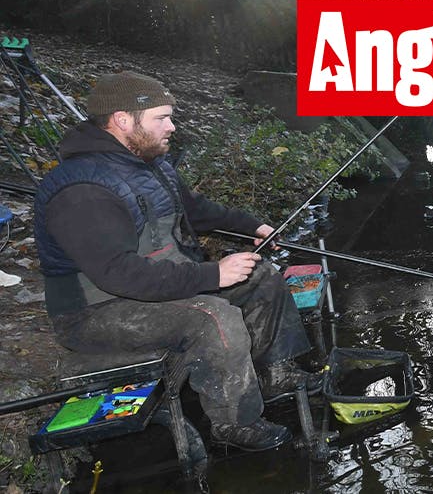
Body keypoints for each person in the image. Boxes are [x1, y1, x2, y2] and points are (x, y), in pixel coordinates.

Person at [33, 71, 317, 452]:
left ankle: (276, 373)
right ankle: (235, 423)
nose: (173, 126)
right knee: (213, 316)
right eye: (161, 118)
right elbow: (118, 274)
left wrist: (254, 225)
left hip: (151, 285)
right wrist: (212, 273)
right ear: (122, 120)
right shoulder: (83, 190)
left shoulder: (149, 164)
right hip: (96, 311)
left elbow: (195, 210)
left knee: (261, 277)